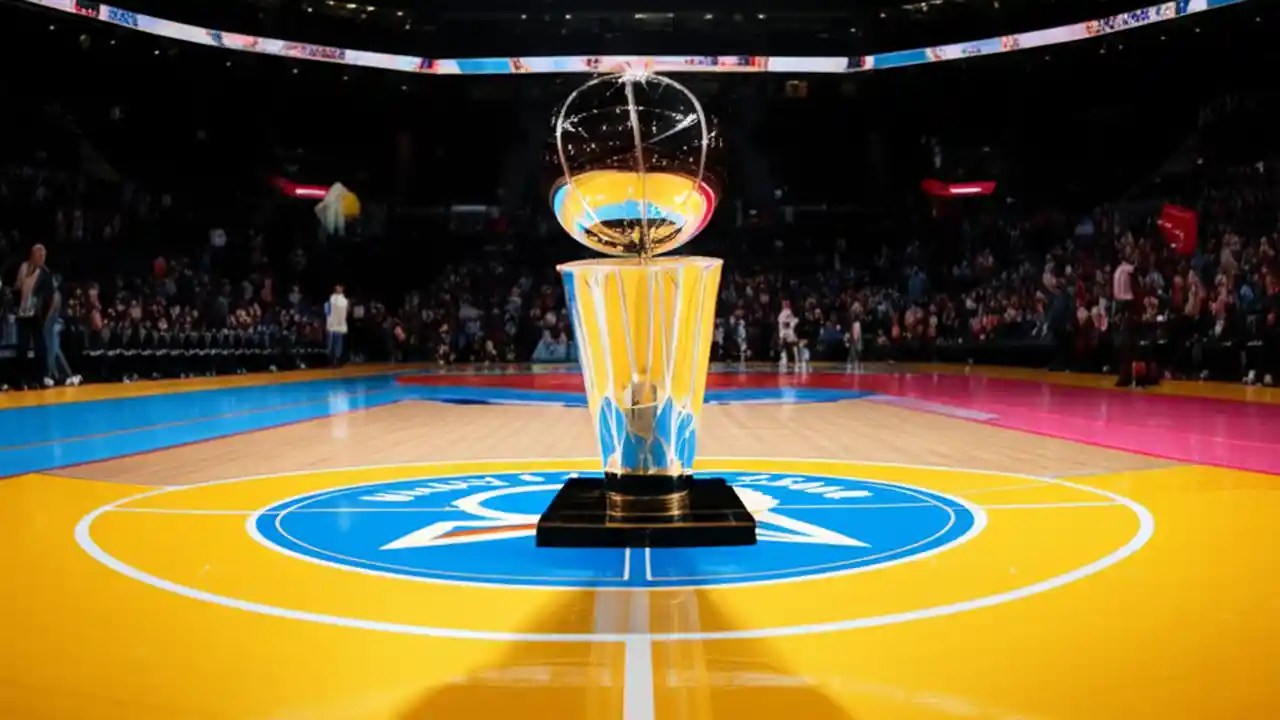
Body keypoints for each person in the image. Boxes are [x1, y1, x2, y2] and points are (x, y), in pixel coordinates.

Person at [14, 245, 54, 389]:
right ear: (33, 255)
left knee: (40, 347)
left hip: (36, 316)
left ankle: (40, 378)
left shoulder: (46, 273)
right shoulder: (23, 267)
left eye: (43, 255)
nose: (42, 258)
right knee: (22, 347)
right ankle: (21, 380)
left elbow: (50, 296)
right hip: (23, 314)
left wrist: (44, 314)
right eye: (39, 255)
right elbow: (17, 288)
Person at [325, 284, 349, 367]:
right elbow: (328, 311)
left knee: (339, 343)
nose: (338, 288)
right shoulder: (332, 298)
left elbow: (344, 313)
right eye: (337, 287)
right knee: (331, 343)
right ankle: (330, 360)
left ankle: (337, 360)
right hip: (331, 324)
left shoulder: (344, 300)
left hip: (340, 324)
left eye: (340, 287)